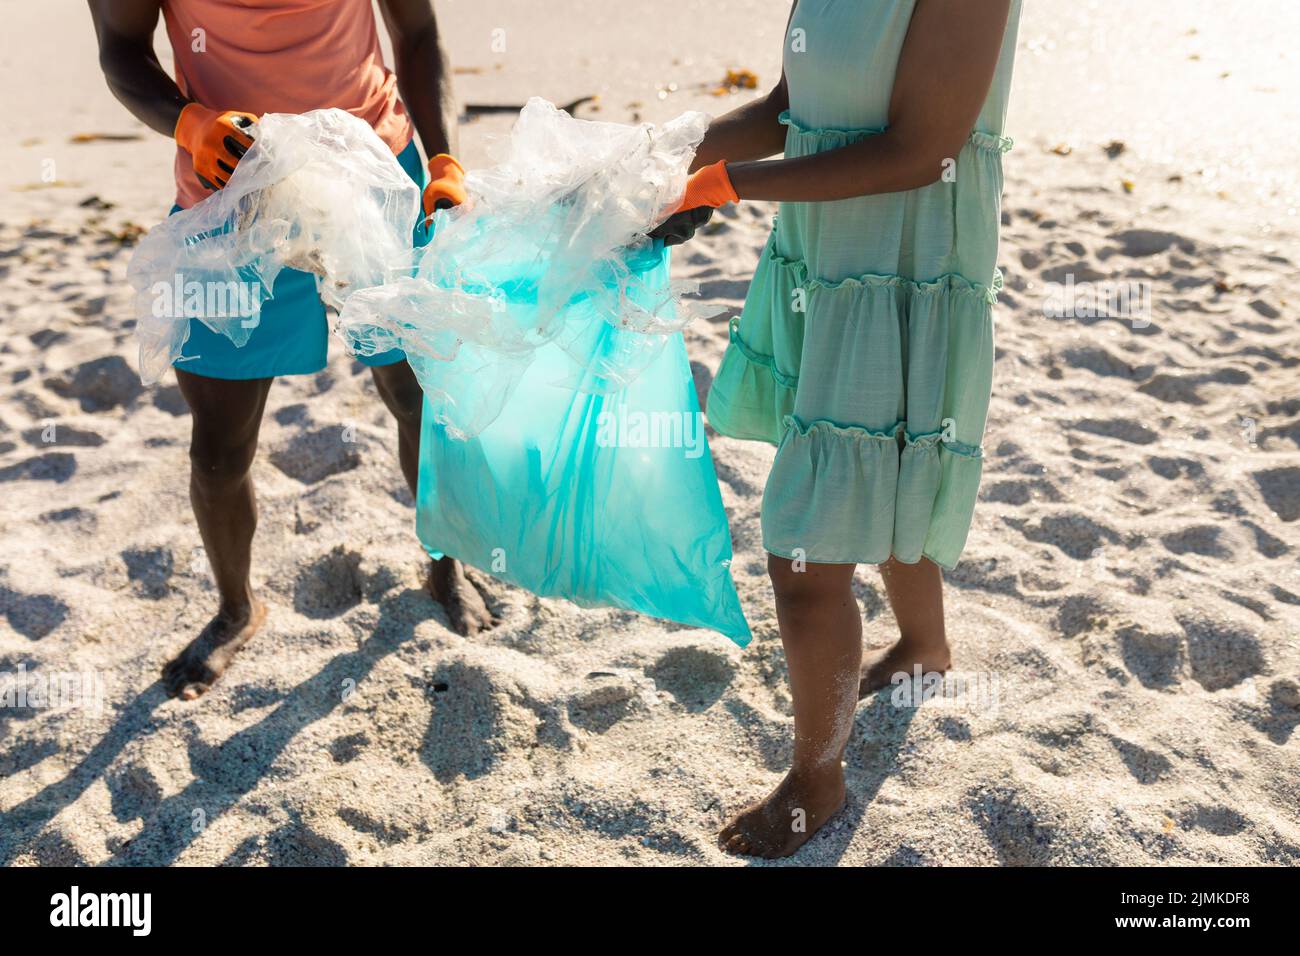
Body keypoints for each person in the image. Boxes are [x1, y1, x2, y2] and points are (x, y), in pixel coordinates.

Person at [670, 0, 1022, 856]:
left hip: (908, 263)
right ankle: (925, 647)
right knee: (887, 462)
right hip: (824, 261)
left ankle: (816, 783)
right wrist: (663, 160)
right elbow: (788, 108)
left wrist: (727, 184)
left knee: (802, 559)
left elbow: (919, 151)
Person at [89, 0, 494, 701]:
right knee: (219, 446)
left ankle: (444, 562)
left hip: (376, 174)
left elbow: (417, 31)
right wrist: (191, 122)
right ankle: (235, 609)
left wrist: (445, 157)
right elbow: (121, 51)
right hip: (231, 194)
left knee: (416, 399)